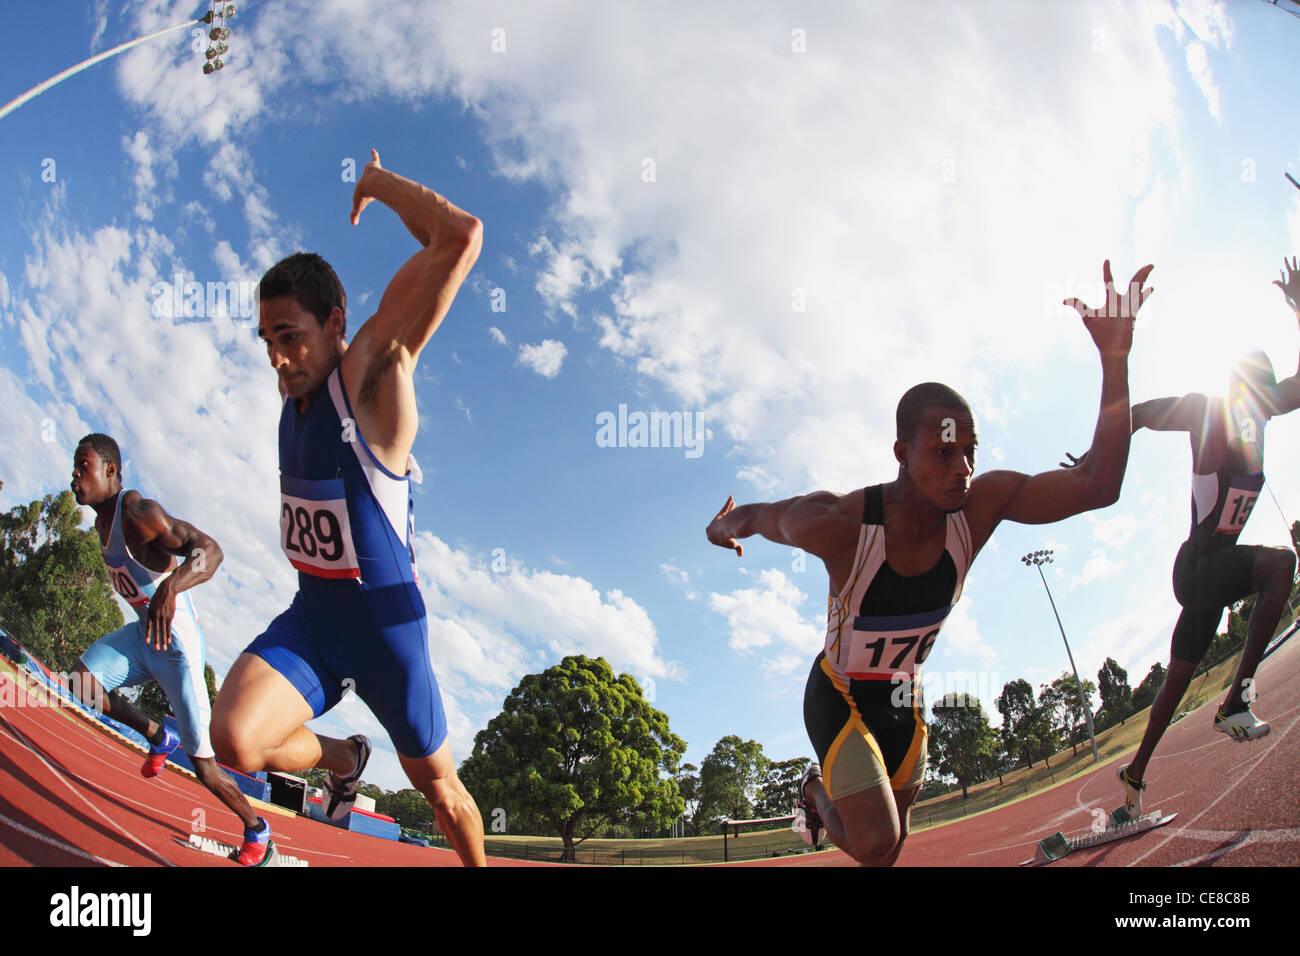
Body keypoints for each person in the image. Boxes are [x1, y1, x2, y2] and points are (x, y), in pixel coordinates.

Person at [705, 261, 1153, 866]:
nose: (963, 469)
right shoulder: (838, 524)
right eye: (944, 453)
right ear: (901, 452)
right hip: (837, 690)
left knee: (890, 854)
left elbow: (1099, 485)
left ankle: (828, 802)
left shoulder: (981, 508)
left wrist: (1116, 357)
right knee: (874, 843)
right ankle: (811, 790)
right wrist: (719, 527)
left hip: (903, 700)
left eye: (971, 452)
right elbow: (760, 516)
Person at [210, 150, 486, 866]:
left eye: (290, 337)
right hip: (315, 621)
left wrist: (379, 183)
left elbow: (460, 237)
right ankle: (342, 756)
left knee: (442, 794)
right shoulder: (293, 404)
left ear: (336, 323)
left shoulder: (368, 379)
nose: (276, 358)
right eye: (267, 341)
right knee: (235, 739)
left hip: (386, 640)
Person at [1111, 257, 1300, 817]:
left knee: (1176, 680)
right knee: (1281, 564)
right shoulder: (1205, 413)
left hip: (1211, 578)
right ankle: (1236, 700)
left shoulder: (1262, 416)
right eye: (1257, 395)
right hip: (1196, 566)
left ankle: (1133, 777)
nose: (1262, 410)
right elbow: (1138, 413)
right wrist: (1099, 455)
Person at [70, 433, 275, 866]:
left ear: (110, 470)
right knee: (80, 681)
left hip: (178, 651)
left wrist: (172, 586)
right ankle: (157, 736)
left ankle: (258, 829)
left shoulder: (137, 512)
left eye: (81, 465)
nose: (74, 475)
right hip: (144, 637)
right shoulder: (100, 524)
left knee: (205, 769)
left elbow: (212, 552)